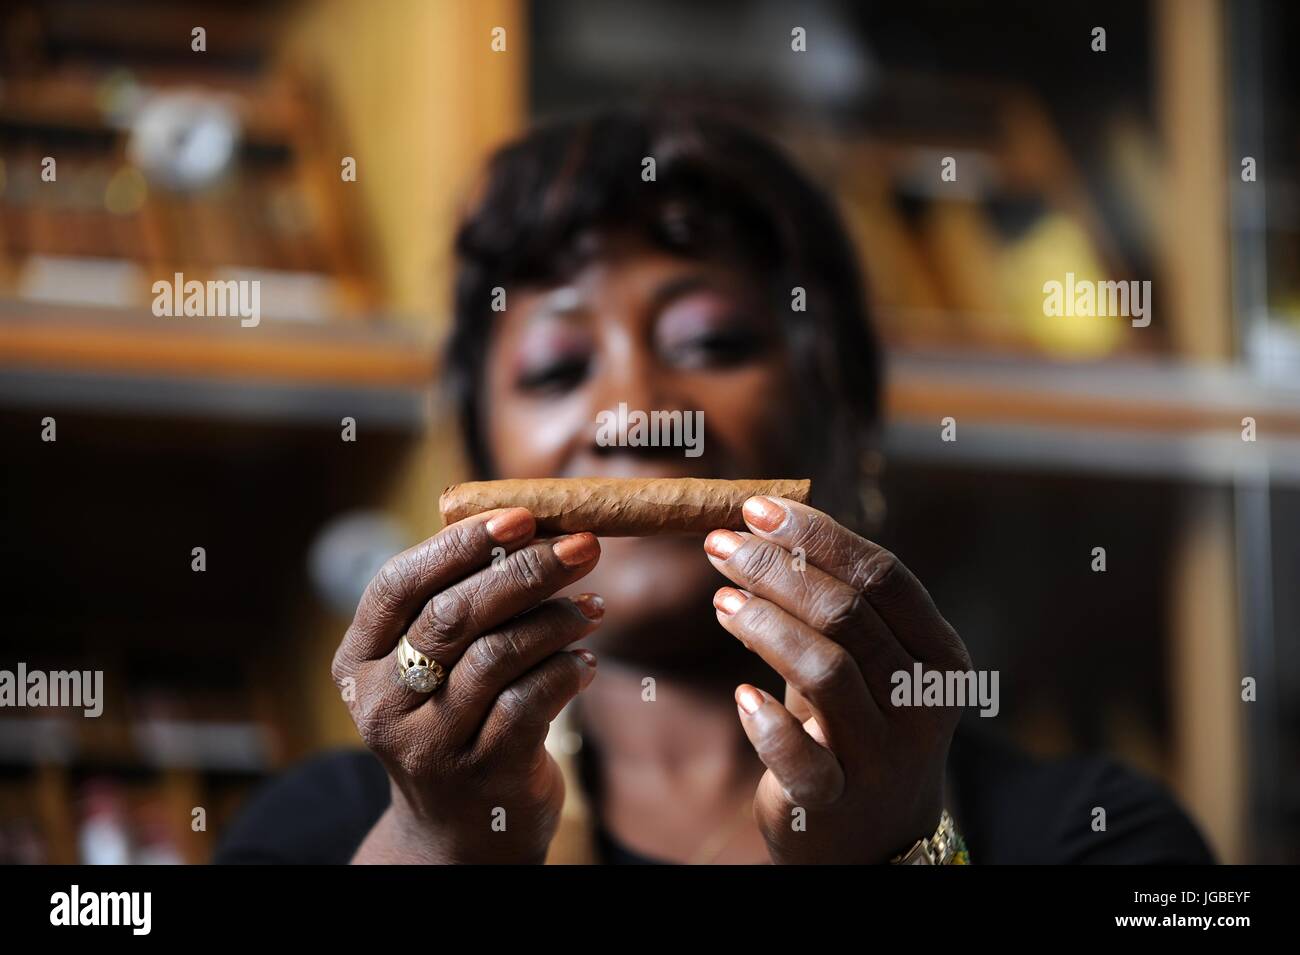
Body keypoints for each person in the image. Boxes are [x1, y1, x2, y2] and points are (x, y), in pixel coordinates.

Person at [216, 107, 1213, 865]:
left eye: (712, 342)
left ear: (850, 424)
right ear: (478, 469)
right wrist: (435, 847)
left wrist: (893, 857)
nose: (636, 407)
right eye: (558, 367)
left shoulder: (1094, 832)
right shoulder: (323, 831)